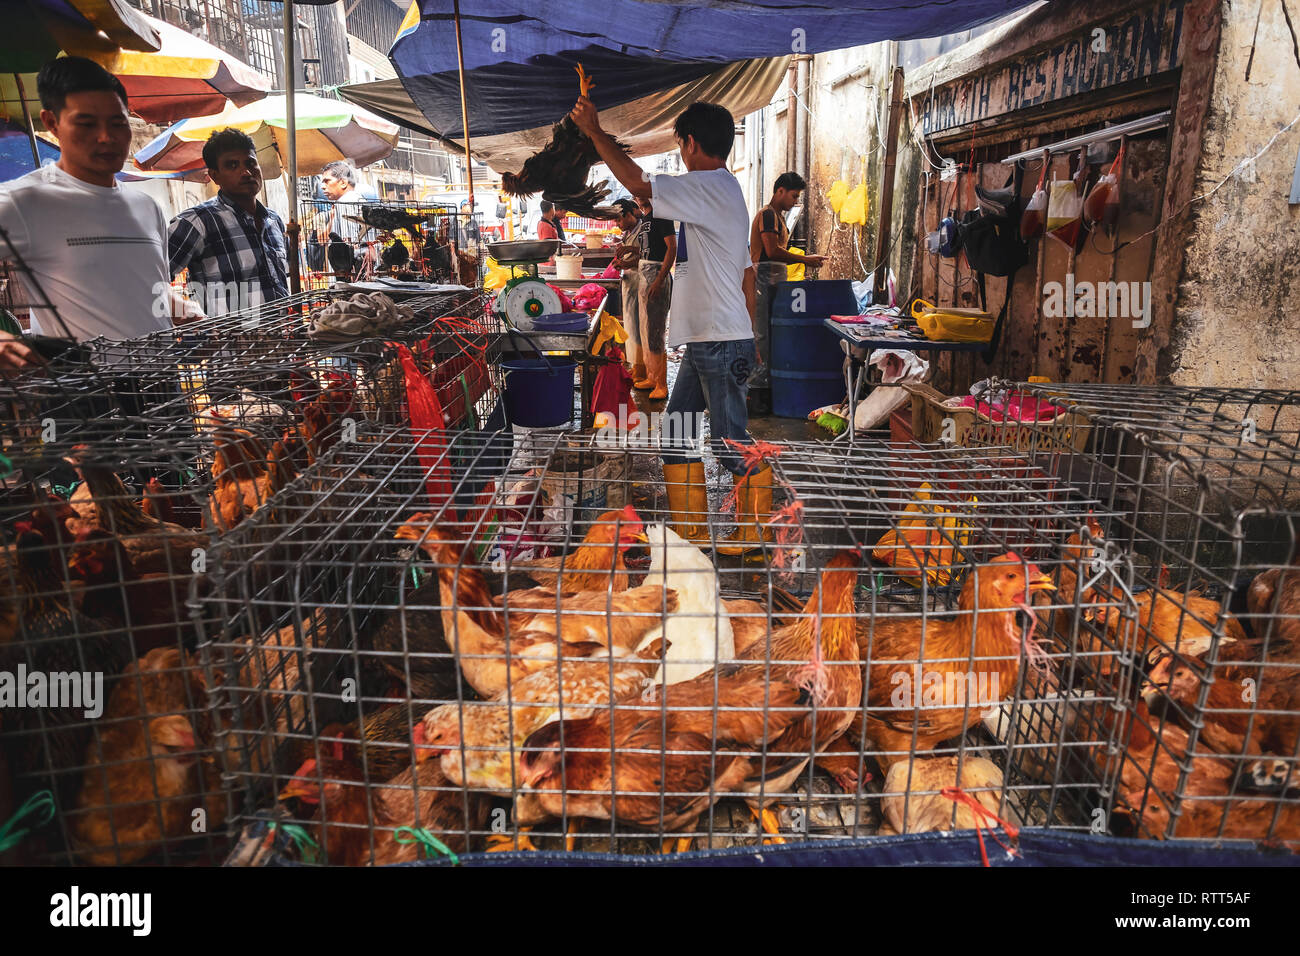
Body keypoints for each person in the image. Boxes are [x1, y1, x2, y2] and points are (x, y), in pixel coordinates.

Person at [571, 96, 770, 554]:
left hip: (720, 342)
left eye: (681, 144)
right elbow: (746, 272)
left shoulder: (710, 186)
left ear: (691, 143)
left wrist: (596, 132)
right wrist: (751, 335)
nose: (681, 155)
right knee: (678, 438)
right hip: (714, 342)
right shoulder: (721, 193)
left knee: (729, 445)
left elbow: (639, 183)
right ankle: (692, 533)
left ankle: (756, 531)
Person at [0, 57, 191, 341]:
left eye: (117, 123)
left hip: (163, 380)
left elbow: (153, 290)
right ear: (52, 122)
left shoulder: (147, 207)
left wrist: (186, 312)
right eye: (87, 124)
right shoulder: (24, 202)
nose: (106, 137)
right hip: (86, 384)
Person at [167, 128, 288, 317]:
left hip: (284, 341)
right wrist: (186, 311)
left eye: (251, 163)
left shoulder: (273, 221)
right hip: (230, 343)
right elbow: (151, 276)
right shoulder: (197, 222)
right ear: (215, 176)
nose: (246, 172)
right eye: (232, 165)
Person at [748, 172, 825, 411]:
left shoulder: (778, 218)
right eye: (793, 196)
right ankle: (755, 394)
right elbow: (771, 252)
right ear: (779, 190)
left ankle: (766, 389)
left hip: (771, 282)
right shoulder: (768, 215)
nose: (794, 201)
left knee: (770, 335)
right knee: (761, 336)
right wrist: (806, 260)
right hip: (762, 280)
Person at [618, 196, 676, 400]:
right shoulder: (646, 221)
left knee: (656, 333)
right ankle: (651, 377)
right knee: (646, 331)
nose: (638, 197)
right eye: (635, 194)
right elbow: (646, 249)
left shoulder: (662, 216)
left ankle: (661, 384)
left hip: (656, 276)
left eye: (641, 192)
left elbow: (671, 248)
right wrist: (630, 251)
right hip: (644, 275)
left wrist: (659, 280)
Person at [318, 160, 364, 280]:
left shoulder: (345, 204)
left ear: (343, 182)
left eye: (327, 181)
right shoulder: (360, 200)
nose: (322, 186)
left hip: (349, 277)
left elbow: (348, 244)